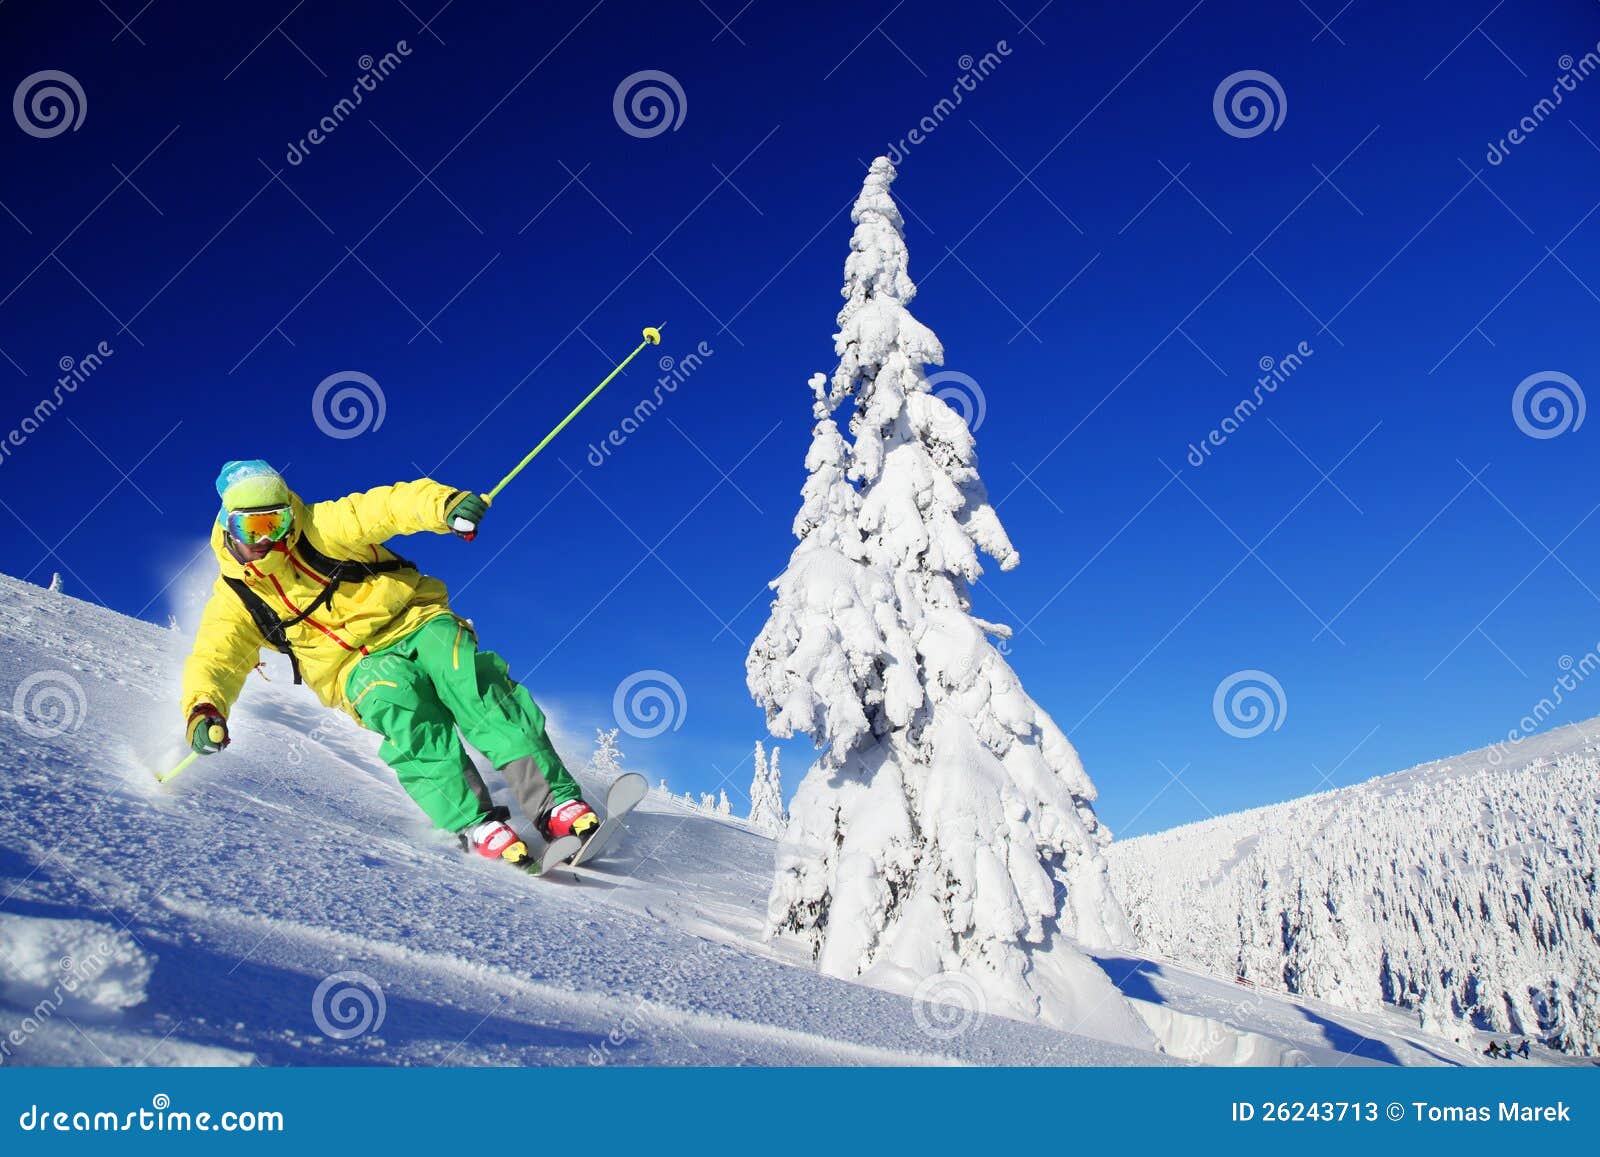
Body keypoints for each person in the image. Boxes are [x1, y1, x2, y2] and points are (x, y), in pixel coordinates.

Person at [180, 461, 597, 867]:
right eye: (251, 528)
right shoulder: (235, 600)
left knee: (469, 680)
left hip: (415, 618)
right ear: (228, 526)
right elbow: (216, 656)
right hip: (351, 666)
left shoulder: (323, 527)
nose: (267, 539)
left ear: (291, 514)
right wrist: (204, 707)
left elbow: (388, 506)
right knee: (401, 709)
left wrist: (444, 506)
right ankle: (475, 824)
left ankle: (554, 804)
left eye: (276, 523)